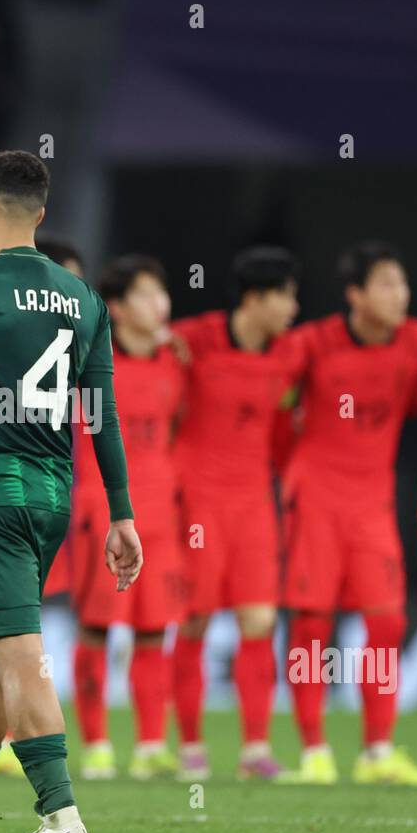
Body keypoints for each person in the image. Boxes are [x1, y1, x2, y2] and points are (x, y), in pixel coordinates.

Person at [0, 150, 141, 833]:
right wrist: (122, 513)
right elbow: (101, 414)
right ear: (41, 213)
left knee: (17, 657)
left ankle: (61, 814)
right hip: (53, 496)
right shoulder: (82, 299)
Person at [279, 242, 417, 786]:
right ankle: (314, 752)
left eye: (403, 284)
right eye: (388, 284)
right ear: (355, 294)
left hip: (372, 505)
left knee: (386, 621)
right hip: (317, 501)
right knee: (311, 623)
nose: (402, 295)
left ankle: (377, 752)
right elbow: (266, 392)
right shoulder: (312, 343)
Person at [170, 247, 304, 780]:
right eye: (286, 296)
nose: (293, 308)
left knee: (260, 622)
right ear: (256, 298)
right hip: (198, 501)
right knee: (195, 620)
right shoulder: (193, 339)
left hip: (255, 504)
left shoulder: (291, 354)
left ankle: (255, 750)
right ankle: (191, 749)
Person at [72, 255, 184, 780]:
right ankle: (96, 744)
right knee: (97, 628)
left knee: (153, 630)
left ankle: (150, 743)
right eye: (144, 295)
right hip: (102, 509)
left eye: (161, 293)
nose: (159, 304)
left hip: (161, 510)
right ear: (116, 307)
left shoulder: (176, 363)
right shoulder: (90, 361)